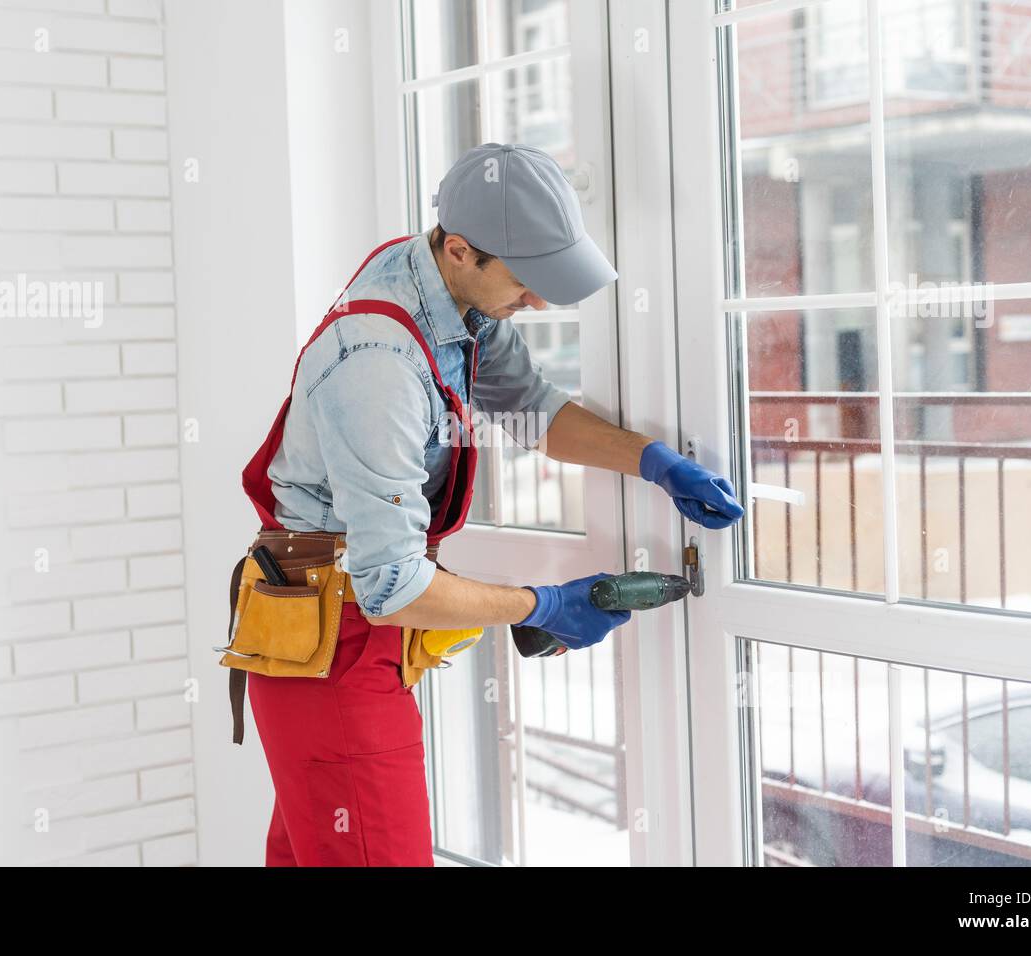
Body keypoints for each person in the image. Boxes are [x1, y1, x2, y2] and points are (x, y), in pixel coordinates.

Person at [235, 142, 744, 866]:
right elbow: (392, 586)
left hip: (334, 635)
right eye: (527, 281)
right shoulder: (377, 366)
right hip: (333, 650)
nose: (536, 301)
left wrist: (654, 463)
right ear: (462, 250)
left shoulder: (440, 285)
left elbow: (528, 405)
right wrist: (544, 604)